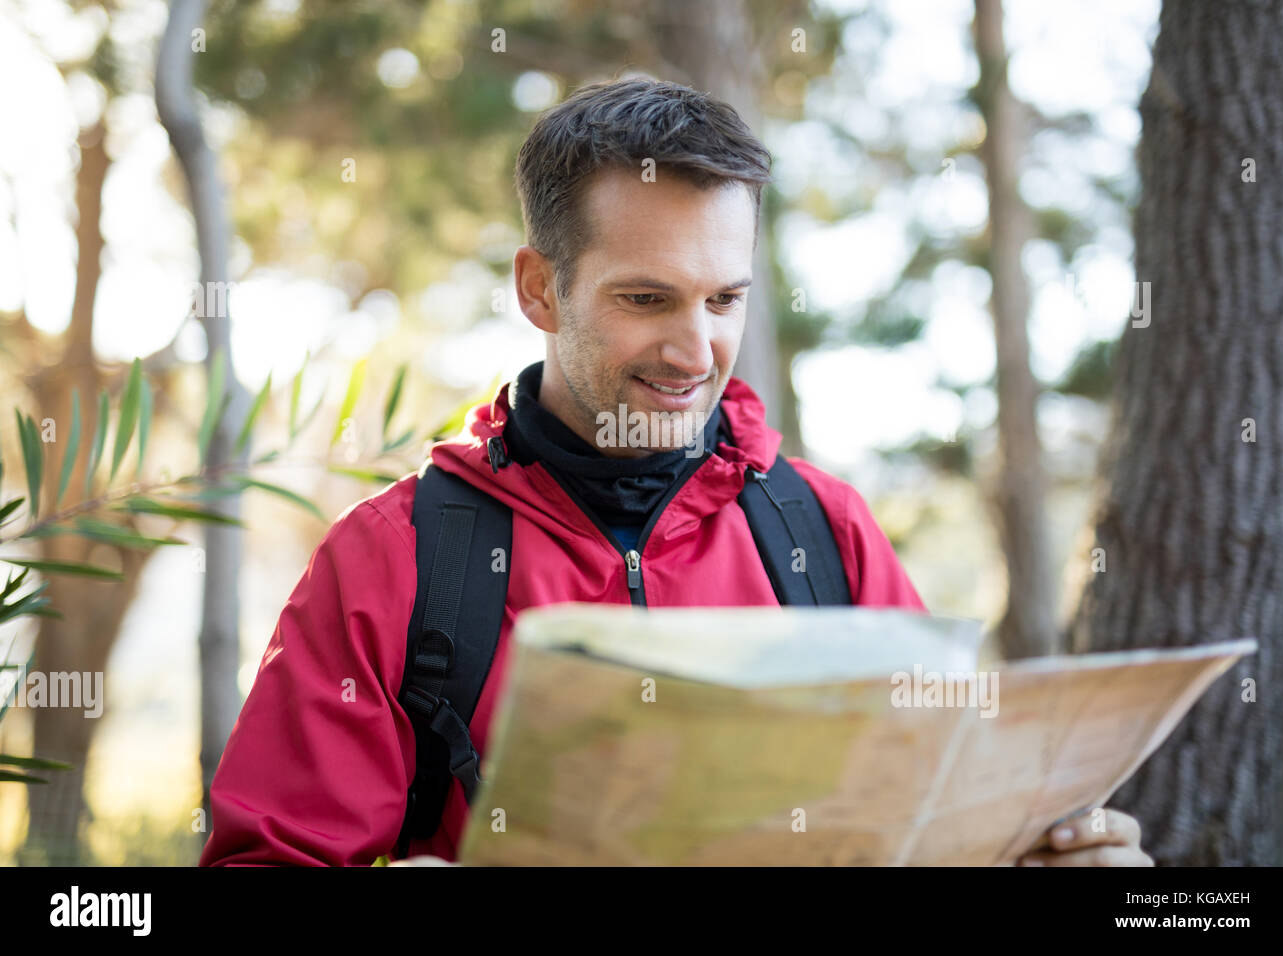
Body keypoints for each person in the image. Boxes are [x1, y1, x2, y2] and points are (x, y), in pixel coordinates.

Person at [198, 77, 1151, 867]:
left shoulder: (825, 530)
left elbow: (931, 834)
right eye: (647, 298)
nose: (696, 350)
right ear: (541, 287)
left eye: (724, 298)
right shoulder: (393, 557)